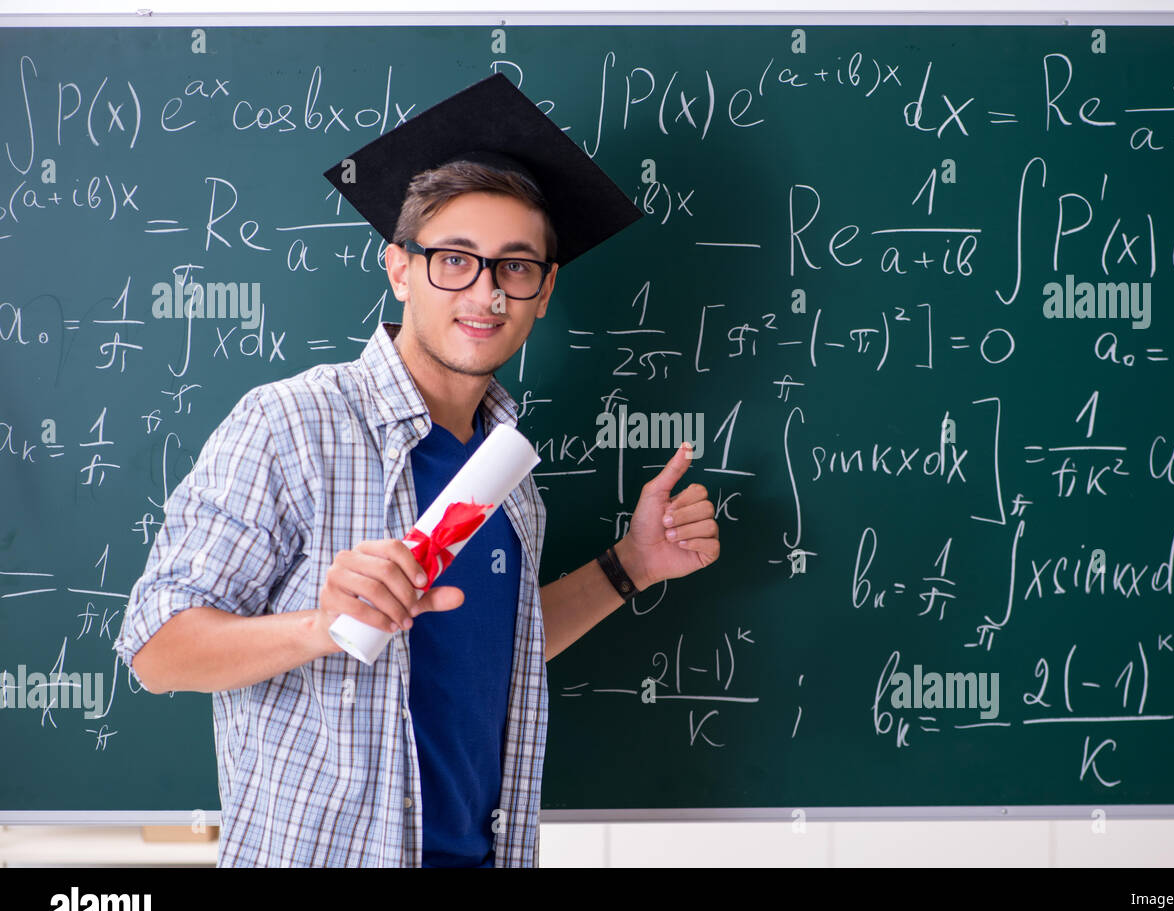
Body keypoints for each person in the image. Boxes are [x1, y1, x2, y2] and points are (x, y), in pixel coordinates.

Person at [113, 74, 721, 867]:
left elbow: (495, 649)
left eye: (514, 267)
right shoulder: (292, 424)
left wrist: (632, 565)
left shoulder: (509, 474)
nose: (486, 293)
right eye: (454, 260)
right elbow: (155, 649)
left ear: (545, 290)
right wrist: (319, 626)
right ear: (399, 269)